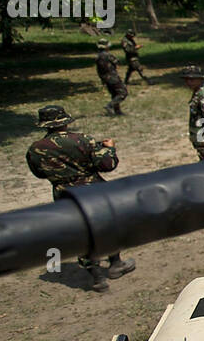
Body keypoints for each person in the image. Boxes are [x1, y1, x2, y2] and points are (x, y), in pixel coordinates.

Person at [25, 105, 136, 292]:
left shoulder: (36, 149)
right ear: (65, 122)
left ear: (44, 125)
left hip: (64, 195)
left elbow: (39, 173)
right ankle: (116, 264)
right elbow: (107, 165)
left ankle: (96, 277)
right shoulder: (83, 140)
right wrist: (110, 149)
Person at [95, 38, 128, 115]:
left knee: (114, 93)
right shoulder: (108, 55)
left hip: (105, 78)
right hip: (112, 77)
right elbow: (117, 62)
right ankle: (110, 106)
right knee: (123, 93)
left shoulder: (97, 56)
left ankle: (117, 111)